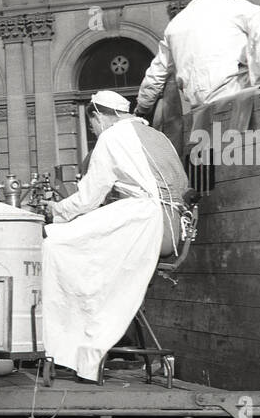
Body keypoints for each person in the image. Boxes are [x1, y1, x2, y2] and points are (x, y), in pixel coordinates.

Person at [42, 90, 189, 381]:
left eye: (92, 125)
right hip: (174, 228)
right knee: (87, 248)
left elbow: (87, 198)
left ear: (98, 116)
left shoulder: (112, 138)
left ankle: (75, 349)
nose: (94, 132)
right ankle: (96, 344)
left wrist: (55, 211)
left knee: (56, 244)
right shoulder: (157, 136)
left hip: (147, 221)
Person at [134, 0, 260, 121]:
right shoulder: (239, 8)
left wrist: (142, 108)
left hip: (200, 116)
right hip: (240, 107)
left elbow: (156, 75)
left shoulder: (175, 24)